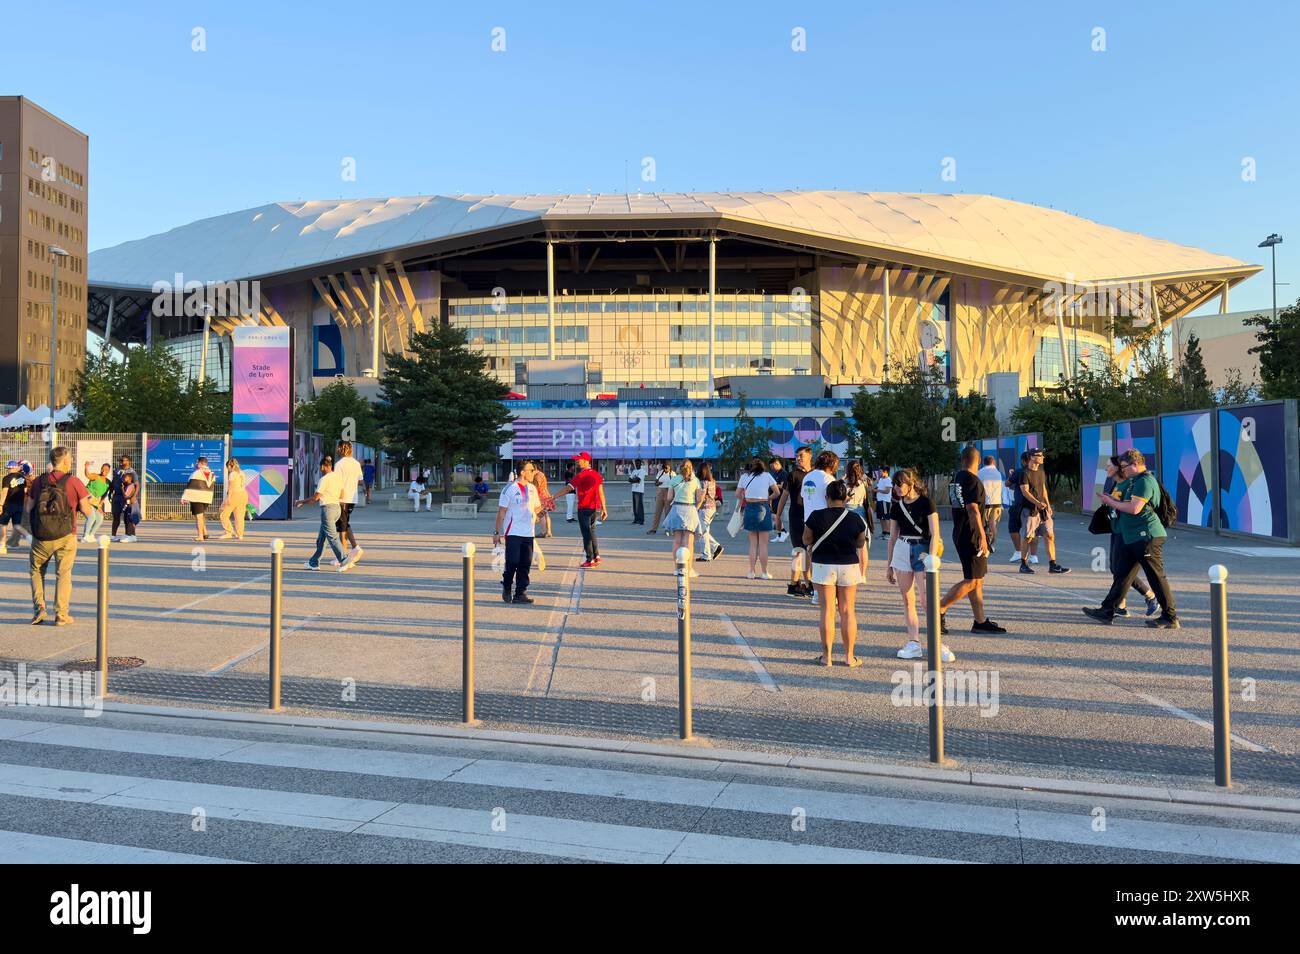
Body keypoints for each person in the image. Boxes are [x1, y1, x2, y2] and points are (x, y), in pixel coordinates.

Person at [1083, 449, 1179, 629]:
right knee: (1122, 575)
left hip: (1146, 536)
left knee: (1156, 577)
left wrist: (1111, 502)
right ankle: (1107, 610)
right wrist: (1112, 499)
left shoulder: (1145, 481)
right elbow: (1127, 504)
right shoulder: (1134, 481)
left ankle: (1170, 617)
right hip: (1132, 536)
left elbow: (1134, 508)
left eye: (1125, 467)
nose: (1123, 470)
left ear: (1135, 464)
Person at [938, 445, 1007, 638]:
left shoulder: (956, 479)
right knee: (971, 580)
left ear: (962, 460)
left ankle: (980, 621)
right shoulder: (973, 481)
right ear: (977, 461)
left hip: (961, 532)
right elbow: (973, 510)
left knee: (977, 579)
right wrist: (983, 538)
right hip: (971, 535)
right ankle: (939, 609)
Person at [802, 480, 867, 667]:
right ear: (846, 498)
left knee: (827, 611)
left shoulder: (816, 516)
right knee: (847, 611)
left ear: (826, 497)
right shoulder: (855, 518)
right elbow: (860, 543)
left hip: (823, 565)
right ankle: (849, 656)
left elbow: (806, 538)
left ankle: (826, 656)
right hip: (848, 565)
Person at [26, 445, 93, 625]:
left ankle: (39, 608)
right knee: (63, 573)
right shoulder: (73, 481)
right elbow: (87, 511)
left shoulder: (39, 482)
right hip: (66, 535)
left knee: (36, 570)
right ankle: (61, 615)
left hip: (41, 535)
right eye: (70, 459)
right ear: (64, 461)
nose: (71, 461)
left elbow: (28, 507)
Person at [886, 468, 944, 660]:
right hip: (902, 549)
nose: (896, 488)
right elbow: (892, 536)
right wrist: (889, 565)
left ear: (911, 483)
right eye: (894, 484)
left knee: (927, 599)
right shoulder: (896, 506)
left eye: (899, 484)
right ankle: (913, 642)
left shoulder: (926, 502)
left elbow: (935, 533)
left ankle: (938, 643)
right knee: (907, 599)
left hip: (922, 550)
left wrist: (932, 560)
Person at [1099, 455, 1161, 618]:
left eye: (1109, 466)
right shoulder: (1114, 483)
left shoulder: (1130, 484)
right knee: (1117, 569)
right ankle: (1122, 605)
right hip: (1116, 529)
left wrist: (1112, 502)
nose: (1106, 468)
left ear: (1119, 468)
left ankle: (1148, 596)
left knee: (1123, 570)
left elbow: (1131, 507)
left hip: (1127, 531)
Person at [493, 461, 542, 604]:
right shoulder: (509, 489)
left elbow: (536, 509)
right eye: (531, 470)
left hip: (528, 533)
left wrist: (541, 513)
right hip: (513, 532)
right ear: (522, 472)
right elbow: (501, 513)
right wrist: (496, 532)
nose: (534, 472)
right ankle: (507, 585)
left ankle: (520, 593)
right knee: (512, 562)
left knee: (525, 564)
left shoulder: (533, 488)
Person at [1018, 449, 1069, 574]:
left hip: (1043, 510)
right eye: (1039, 455)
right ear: (1031, 457)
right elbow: (1025, 491)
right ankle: (1023, 564)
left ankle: (1053, 565)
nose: (1042, 457)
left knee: (1050, 535)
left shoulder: (1041, 472)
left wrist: (1047, 504)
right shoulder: (1024, 473)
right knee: (1028, 537)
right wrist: (1037, 503)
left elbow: (1043, 488)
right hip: (1030, 510)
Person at [553, 451, 607, 568]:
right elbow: (601, 493)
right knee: (592, 532)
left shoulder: (581, 475)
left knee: (586, 534)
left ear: (586, 461)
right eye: (576, 459)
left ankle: (589, 560)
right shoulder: (597, 474)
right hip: (596, 508)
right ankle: (596, 556)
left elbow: (568, 488)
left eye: (579, 459)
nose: (577, 461)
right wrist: (604, 509)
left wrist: (554, 496)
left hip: (585, 508)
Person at [296, 457, 351, 572]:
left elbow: (316, 497)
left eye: (320, 467)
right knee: (322, 538)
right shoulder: (337, 477)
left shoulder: (324, 479)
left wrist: (301, 502)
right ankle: (314, 562)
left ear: (322, 466)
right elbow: (342, 494)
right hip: (337, 508)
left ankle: (344, 560)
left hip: (328, 510)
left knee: (332, 537)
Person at [775, 446, 813, 596]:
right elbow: (784, 495)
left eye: (801, 456)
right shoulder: (793, 475)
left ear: (810, 456)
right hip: (797, 516)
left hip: (812, 516)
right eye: (797, 456)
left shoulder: (816, 474)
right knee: (799, 551)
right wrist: (778, 515)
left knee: (808, 551)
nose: (798, 458)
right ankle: (793, 584)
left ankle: (808, 582)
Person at [737, 457, 778, 579]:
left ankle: (751, 572)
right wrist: (768, 498)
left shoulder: (744, 477)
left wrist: (745, 496)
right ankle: (764, 572)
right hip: (763, 507)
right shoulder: (767, 476)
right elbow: (777, 492)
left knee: (753, 544)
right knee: (763, 544)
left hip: (749, 507)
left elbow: (737, 494)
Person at [661, 459, 702, 576]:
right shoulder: (695, 481)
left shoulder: (674, 479)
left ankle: (677, 568)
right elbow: (699, 498)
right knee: (688, 541)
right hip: (689, 509)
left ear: (680, 468)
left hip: (677, 509)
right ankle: (688, 569)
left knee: (677, 540)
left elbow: (669, 498)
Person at [333, 440, 365, 568]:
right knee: (345, 524)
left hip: (341, 499)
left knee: (341, 527)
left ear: (340, 449)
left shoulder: (339, 464)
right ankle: (355, 547)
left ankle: (343, 557)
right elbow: (361, 481)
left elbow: (336, 482)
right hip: (352, 497)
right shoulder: (356, 463)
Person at [1005, 452, 1039, 564]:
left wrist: (1011, 475)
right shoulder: (1038, 472)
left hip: (1020, 504)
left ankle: (1019, 552)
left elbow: (1007, 484)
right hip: (1034, 505)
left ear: (1024, 461)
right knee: (1032, 531)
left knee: (1013, 527)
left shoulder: (1020, 471)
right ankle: (1034, 556)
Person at [1, 460, 33, 553]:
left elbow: (4, 492)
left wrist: (0, 505)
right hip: (19, 505)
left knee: (3, 524)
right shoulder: (22, 478)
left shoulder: (6, 478)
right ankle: (30, 539)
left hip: (8, 505)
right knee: (17, 525)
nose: (8, 470)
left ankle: (2, 546)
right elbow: (25, 490)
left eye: (8, 468)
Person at [695, 462, 723, 562]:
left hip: (704, 508)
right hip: (712, 508)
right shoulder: (712, 481)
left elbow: (700, 497)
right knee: (704, 531)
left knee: (702, 532)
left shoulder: (702, 482)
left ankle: (706, 555)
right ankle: (716, 547)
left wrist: (696, 507)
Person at [184, 457, 216, 541]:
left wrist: (184, 497)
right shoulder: (212, 474)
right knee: (201, 515)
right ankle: (205, 533)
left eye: (197, 462)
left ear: (201, 464)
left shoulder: (197, 473)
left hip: (197, 497)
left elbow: (191, 486)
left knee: (198, 517)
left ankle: (200, 536)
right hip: (206, 497)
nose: (196, 464)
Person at [978, 455, 1005, 554]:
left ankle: (984, 543)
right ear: (993, 462)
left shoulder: (979, 473)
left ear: (984, 462)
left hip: (985, 503)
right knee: (993, 524)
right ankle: (992, 544)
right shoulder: (998, 473)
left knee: (982, 524)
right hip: (997, 503)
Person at [219, 458, 249, 540]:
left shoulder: (232, 474)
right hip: (243, 494)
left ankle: (228, 532)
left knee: (224, 514)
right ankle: (240, 534)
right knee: (239, 516)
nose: (227, 469)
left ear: (229, 466)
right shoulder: (242, 473)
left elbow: (231, 487)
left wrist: (227, 499)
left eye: (227, 467)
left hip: (234, 495)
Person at [111, 455, 139, 542]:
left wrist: (134, 496)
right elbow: (113, 481)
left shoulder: (132, 472)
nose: (123, 462)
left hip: (126, 497)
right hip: (117, 496)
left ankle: (130, 535)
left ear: (129, 461)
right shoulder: (117, 470)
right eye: (122, 460)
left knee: (128, 517)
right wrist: (110, 492)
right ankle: (113, 535)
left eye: (125, 460)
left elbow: (137, 485)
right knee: (116, 516)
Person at [82, 462, 110, 542]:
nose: (104, 470)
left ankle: (91, 535)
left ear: (109, 471)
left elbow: (104, 494)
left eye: (106, 469)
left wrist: (100, 504)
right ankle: (85, 536)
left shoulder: (108, 483)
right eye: (102, 468)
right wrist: (86, 467)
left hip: (95, 501)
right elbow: (88, 475)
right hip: (87, 497)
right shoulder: (96, 476)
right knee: (92, 517)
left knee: (100, 518)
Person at [647, 462, 674, 534]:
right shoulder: (660, 473)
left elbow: (675, 485)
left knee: (668, 512)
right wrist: (658, 483)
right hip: (660, 491)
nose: (665, 470)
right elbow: (655, 483)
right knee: (657, 512)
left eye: (667, 468)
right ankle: (654, 529)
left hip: (668, 491)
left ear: (669, 467)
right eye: (664, 468)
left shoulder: (673, 474)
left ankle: (667, 529)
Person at [528, 468, 554, 538]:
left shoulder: (537, 476)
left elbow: (537, 486)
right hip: (546, 495)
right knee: (546, 514)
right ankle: (549, 531)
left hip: (541, 496)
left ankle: (542, 532)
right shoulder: (542, 474)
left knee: (541, 513)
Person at [768, 458, 789, 541]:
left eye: (772, 466)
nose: (771, 468)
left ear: (777, 463)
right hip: (773, 497)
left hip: (780, 497)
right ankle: (781, 533)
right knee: (775, 516)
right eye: (770, 467)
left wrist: (773, 485)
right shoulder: (774, 473)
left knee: (777, 516)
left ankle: (781, 533)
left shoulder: (783, 473)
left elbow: (783, 486)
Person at [874, 467, 894, 546]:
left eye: (881, 472)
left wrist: (878, 490)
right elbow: (879, 488)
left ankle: (889, 533)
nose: (879, 473)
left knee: (886, 517)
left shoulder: (888, 480)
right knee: (880, 518)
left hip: (885, 501)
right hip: (879, 500)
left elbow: (887, 491)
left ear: (885, 472)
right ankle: (884, 532)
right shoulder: (881, 479)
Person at [628, 458, 648, 525]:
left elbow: (638, 480)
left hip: (639, 491)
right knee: (635, 506)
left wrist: (633, 480)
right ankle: (636, 519)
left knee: (639, 506)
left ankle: (641, 520)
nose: (636, 464)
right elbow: (629, 480)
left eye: (638, 463)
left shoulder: (642, 471)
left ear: (640, 464)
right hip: (634, 490)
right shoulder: (634, 471)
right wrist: (634, 480)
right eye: (635, 463)